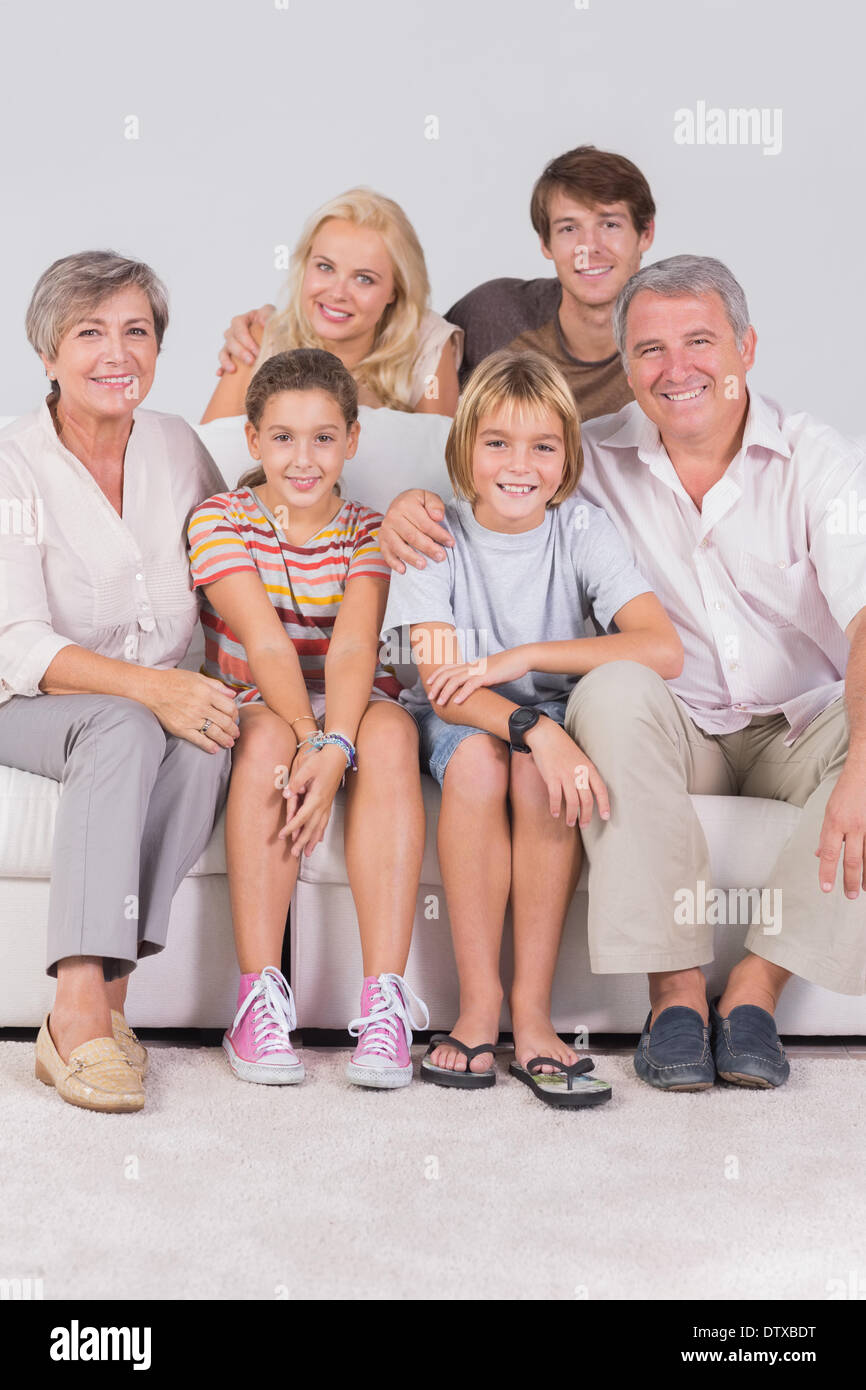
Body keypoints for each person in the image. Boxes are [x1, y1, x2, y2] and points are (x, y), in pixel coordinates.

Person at [375, 255, 866, 1092]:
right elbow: (493, 470)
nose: (676, 370)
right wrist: (403, 503)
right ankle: (674, 996)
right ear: (625, 364)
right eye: (649, 350)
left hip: (803, 720)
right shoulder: (592, 459)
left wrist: (861, 764)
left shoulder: (821, 463)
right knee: (609, 693)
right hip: (678, 723)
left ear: (746, 346)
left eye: (701, 341)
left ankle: (752, 993)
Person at [380, 349, 682, 1107]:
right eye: (498, 444)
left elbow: (660, 647)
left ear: (566, 458)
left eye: (543, 447)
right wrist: (532, 727)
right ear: (465, 451)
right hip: (467, 720)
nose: (521, 466)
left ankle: (533, 1015)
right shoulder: (435, 536)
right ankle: (478, 1007)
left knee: (535, 774)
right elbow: (446, 688)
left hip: (542, 718)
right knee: (490, 763)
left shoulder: (580, 529)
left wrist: (527, 662)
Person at [0, 250, 235, 1113]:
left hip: (142, 699)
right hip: (23, 702)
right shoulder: (14, 465)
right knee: (129, 725)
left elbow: (232, 556)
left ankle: (111, 1000)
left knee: (209, 741)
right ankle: (72, 1012)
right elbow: (17, 642)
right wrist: (155, 688)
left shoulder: (177, 444)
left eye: (136, 331)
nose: (116, 353)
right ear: (49, 353)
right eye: (89, 332)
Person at [188, 348, 429, 1090]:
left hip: (351, 703)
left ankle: (384, 1003)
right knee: (260, 737)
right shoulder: (220, 519)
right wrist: (305, 739)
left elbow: (356, 644)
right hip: (267, 699)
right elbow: (262, 639)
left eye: (323, 437)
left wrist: (337, 744)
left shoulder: (367, 532)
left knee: (392, 733)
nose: (303, 457)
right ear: (253, 440)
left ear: (351, 441)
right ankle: (258, 998)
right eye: (283, 437)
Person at [202, 188, 463, 422]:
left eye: (364, 279)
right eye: (325, 267)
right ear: (305, 266)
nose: (338, 293)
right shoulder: (257, 339)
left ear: (395, 291)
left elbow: (442, 467)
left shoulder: (427, 343)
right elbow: (207, 464)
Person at [446, 145, 655, 422]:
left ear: (645, 234)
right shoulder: (494, 315)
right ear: (545, 243)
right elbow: (402, 369)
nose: (589, 248)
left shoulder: (673, 340)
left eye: (609, 225)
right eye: (569, 228)